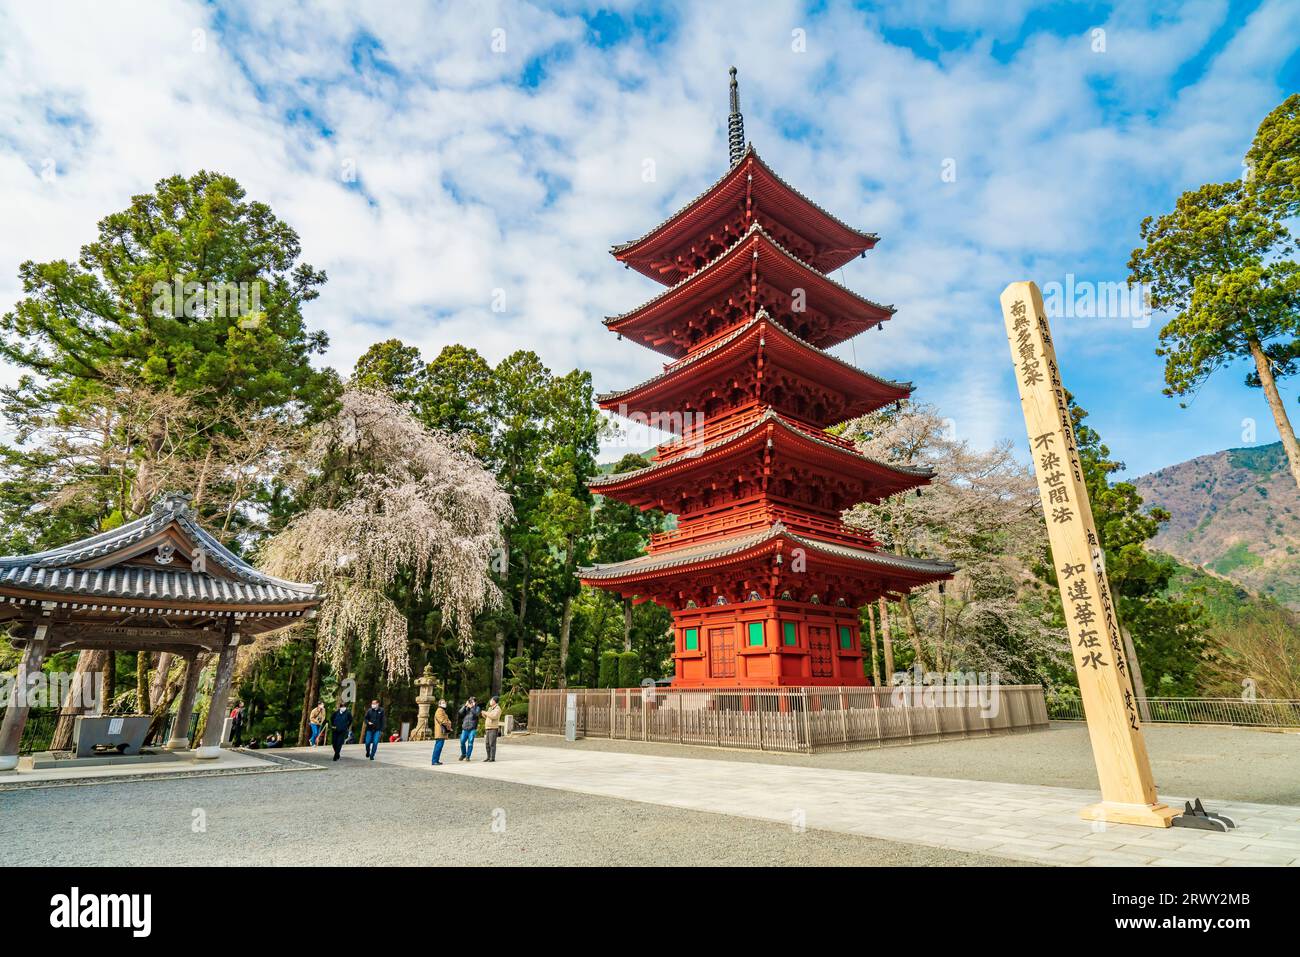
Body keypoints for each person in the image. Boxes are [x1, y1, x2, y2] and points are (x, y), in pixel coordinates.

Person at [457, 697, 481, 761]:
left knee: (470, 743)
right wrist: (465, 706)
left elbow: (476, 714)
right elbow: (460, 713)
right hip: (465, 728)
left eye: (472, 701)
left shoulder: (477, 708)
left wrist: (472, 707)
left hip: (472, 728)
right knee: (462, 742)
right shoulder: (466, 708)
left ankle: (468, 756)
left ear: (475, 702)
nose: (471, 702)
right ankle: (463, 754)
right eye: (470, 701)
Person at [431, 698, 452, 766]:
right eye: (443, 702)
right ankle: (434, 761)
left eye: (445, 702)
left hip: (441, 732)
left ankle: (436, 760)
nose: (445, 703)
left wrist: (448, 722)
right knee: (438, 746)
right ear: (439, 704)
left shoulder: (442, 710)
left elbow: (445, 720)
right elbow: (442, 720)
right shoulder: (439, 710)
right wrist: (449, 724)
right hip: (440, 732)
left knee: (439, 746)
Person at [482, 695, 502, 762]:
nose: (490, 701)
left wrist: (486, 713)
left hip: (493, 728)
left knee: (492, 744)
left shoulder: (498, 709)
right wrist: (484, 714)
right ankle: (488, 757)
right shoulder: (490, 708)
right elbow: (488, 717)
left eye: (491, 700)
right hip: (488, 728)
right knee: (487, 744)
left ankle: (492, 758)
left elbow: (494, 716)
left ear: (494, 701)